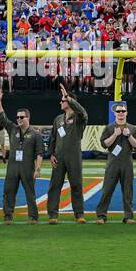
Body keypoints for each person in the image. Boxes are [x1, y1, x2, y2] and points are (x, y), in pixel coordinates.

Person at [0, 88, 44, 224]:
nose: (19, 119)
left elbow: (39, 153)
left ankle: (33, 217)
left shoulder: (36, 134)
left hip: (28, 167)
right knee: (8, 192)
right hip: (12, 167)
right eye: (17, 117)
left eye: (22, 117)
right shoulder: (12, 129)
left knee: (30, 194)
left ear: (28, 118)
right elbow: (1, 116)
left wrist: (38, 169)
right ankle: (8, 216)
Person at [46, 84, 89, 223]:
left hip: (74, 156)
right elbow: (53, 137)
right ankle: (53, 215)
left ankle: (79, 214)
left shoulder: (79, 118)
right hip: (58, 157)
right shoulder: (58, 119)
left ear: (70, 101)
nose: (60, 102)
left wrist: (69, 98)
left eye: (62, 100)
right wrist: (51, 154)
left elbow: (83, 112)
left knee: (76, 184)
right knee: (55, 185)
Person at [96, 103, 136, 224]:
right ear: (114, 113)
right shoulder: (109, 128)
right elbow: (104, 144)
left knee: (128, 191)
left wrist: (129, 135)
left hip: (127, 162)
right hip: (113, 163)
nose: (121, 113)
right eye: (118, 111)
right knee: (107, 190)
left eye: (123, 111)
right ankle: (101, 215)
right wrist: (115, 135)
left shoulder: (132, 128)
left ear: (126, 112)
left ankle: (128, 216)